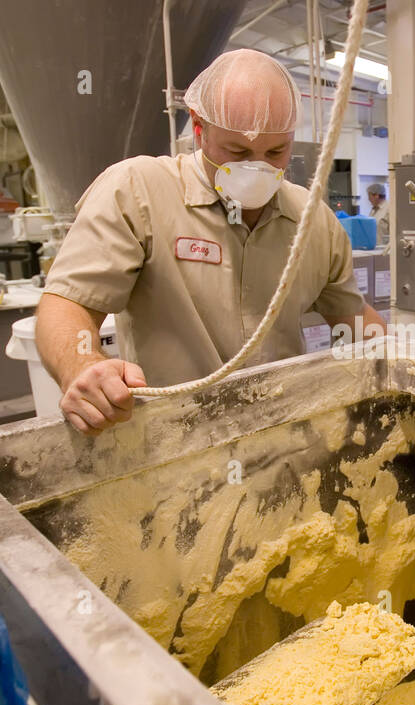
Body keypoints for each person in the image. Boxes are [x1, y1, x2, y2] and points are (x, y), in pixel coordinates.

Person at [36, 48, 387, 436]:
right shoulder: (138, 193)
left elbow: (353, 319)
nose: (258, 167)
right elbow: (67, 304)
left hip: (282, 435)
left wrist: (407, 361)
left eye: (276, 151)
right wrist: (81, 364)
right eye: (237, 151)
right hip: (173, 440)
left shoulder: (312, 220)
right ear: (199, 128)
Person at [367, 182, 390, 248]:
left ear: (376, 196)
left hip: (385, 249)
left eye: (369, 196)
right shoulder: (373, 210)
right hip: (375, 248)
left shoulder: (389, 209)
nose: (368, 199)